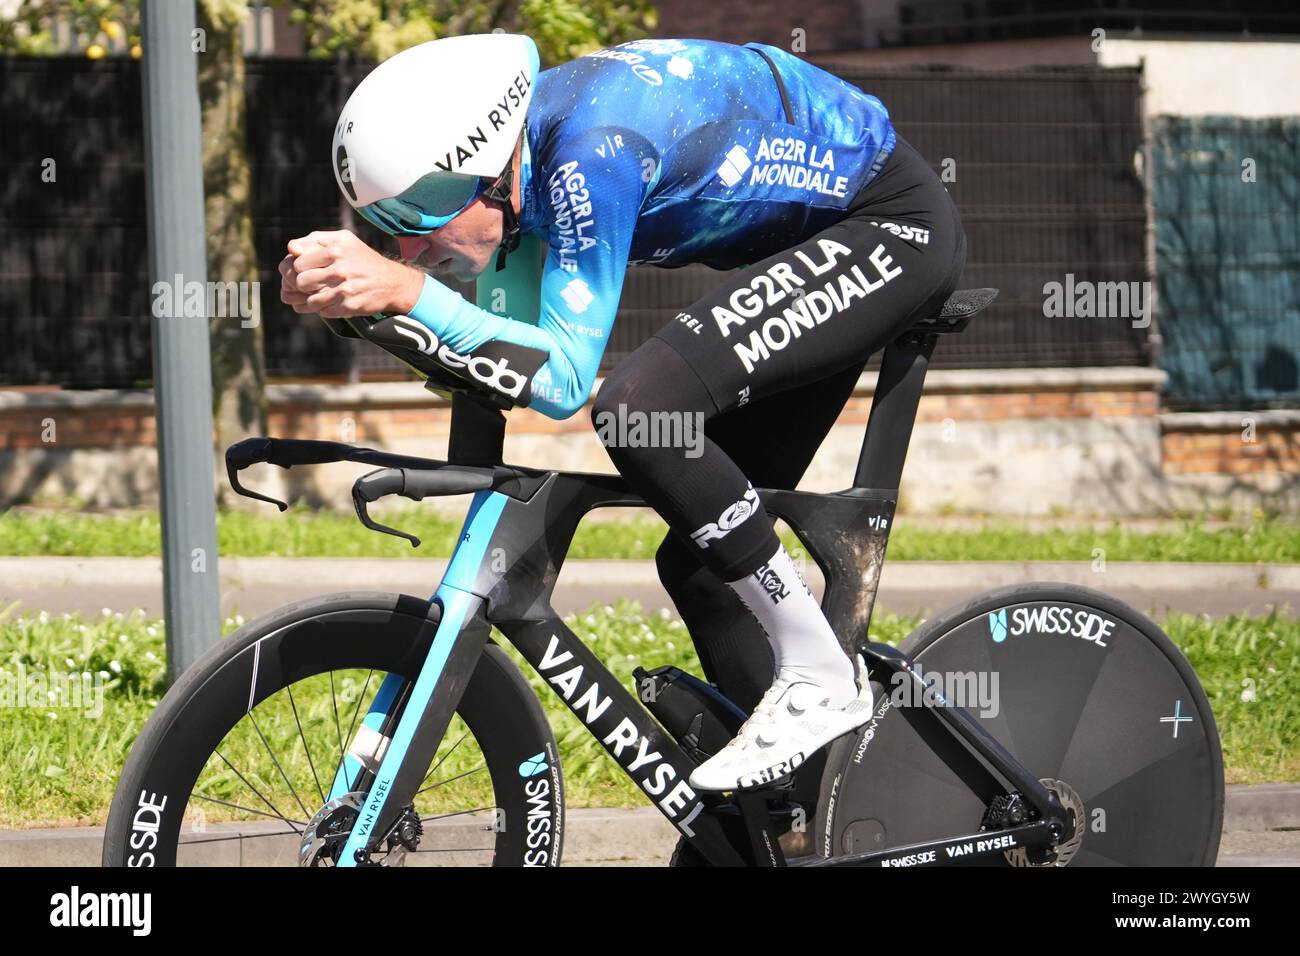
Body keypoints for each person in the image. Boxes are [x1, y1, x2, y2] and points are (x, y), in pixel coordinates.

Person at [280, 33, 967, 792]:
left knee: (641, 408)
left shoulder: (588, 155)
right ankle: (797, 815)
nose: (410, 244)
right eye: (390, 218)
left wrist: (406, 296)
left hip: (888, 227)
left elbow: (568, 377)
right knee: (706, 563)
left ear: (490, 164)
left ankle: (819, 672)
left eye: (426, 204)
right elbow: (496, 373)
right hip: (816, 239)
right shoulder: (516, 184)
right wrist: (356, 312)